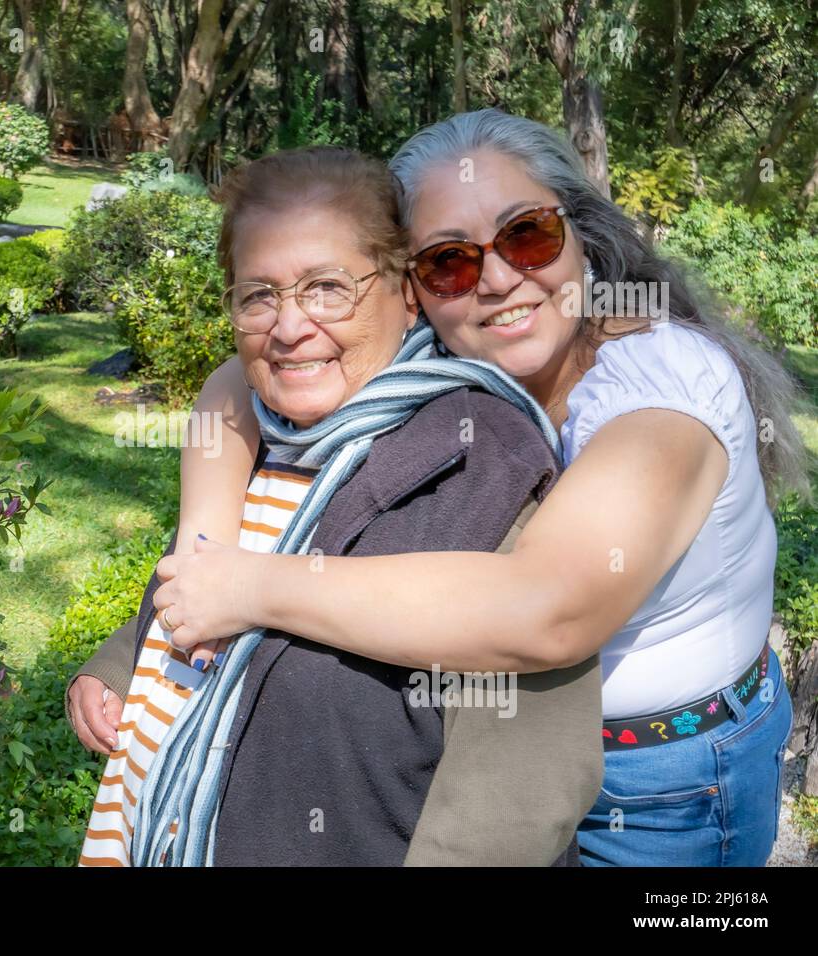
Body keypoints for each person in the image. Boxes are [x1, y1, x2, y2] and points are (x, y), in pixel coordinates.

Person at [74, 110, 804, 867]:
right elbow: (243, 380)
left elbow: (548, 610)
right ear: (413, 288)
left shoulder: (664, 384)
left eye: (528, 236)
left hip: (665, 787)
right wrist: (193, 570)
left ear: (580, 230)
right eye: (449, 261)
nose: (495, 278)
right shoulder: (425, 381)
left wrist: (248, 587)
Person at [74, 145, 602, 867]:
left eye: (327, 288)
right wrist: (120, 663)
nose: (289, 327)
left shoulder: (481, 465)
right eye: (258, 294)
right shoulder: (262, 436)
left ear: (408, 291)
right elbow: (200, 586)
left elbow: (522, 791)